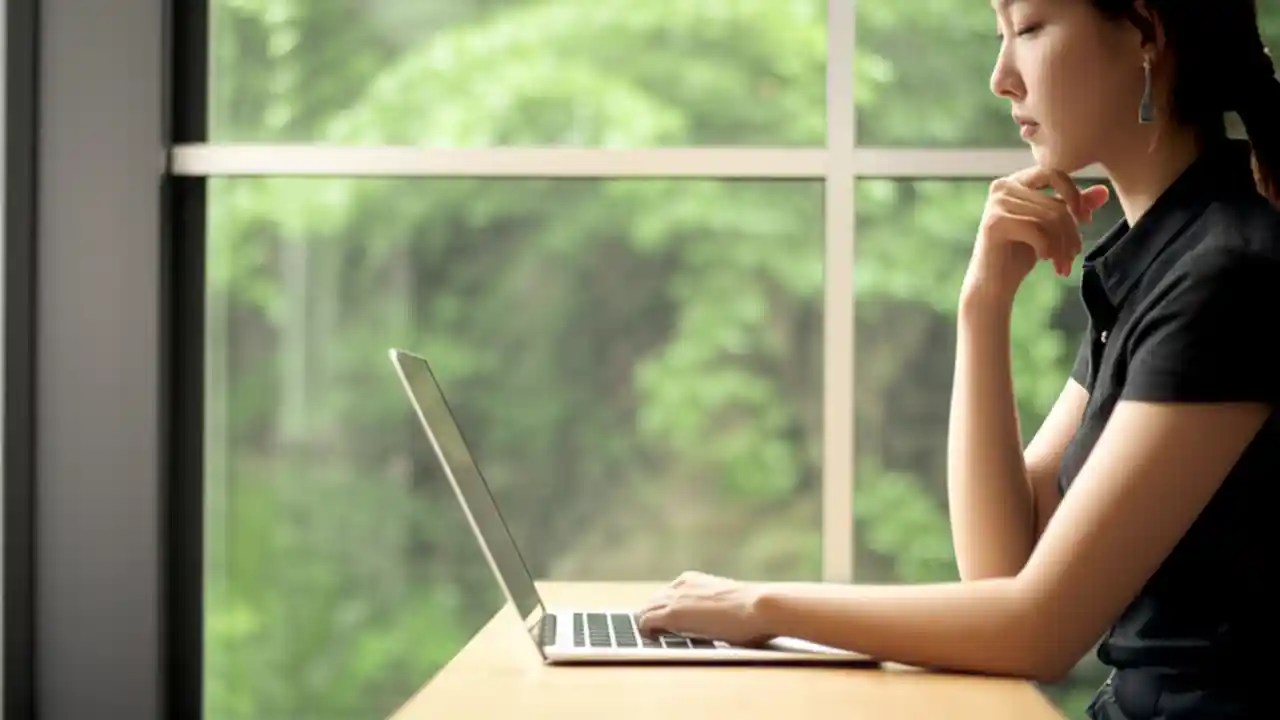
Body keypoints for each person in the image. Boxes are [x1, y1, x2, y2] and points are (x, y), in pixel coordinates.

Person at [634, 1, 1280, 717]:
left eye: (1028, 29)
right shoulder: (1165, 262)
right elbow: (1001, 568)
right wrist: (983, 305)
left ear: (1146, 34)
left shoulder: (1225, 276)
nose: (1002, 77)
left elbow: (1038, 631)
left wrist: (760, 607)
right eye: (999, 35)